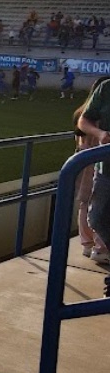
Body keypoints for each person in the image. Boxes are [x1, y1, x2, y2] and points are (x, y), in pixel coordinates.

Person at [76, 77, 110, 296]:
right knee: (96, 217)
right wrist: (101, 134)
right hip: (105, 167)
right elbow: (83, 121)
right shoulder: (106, 88)